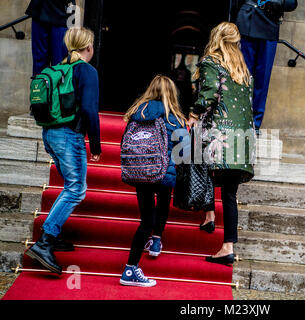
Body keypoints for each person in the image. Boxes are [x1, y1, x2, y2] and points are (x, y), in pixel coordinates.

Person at [25, 27, 102, 274]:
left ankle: (52, 236)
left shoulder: (60, 68)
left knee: (70, 186)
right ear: (89, 47)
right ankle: (45, 242)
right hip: (69, 136)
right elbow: (90, 110)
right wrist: (97, 145)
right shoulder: (87, 71)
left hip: (50, 134)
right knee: (76, 189)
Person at [188, 22, 255, 265]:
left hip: (218, 133)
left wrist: (193, 115)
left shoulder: (211, 62)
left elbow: (208, 94)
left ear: (216, 37)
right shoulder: (244, 71)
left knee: (196, 162)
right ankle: (227, 245)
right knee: (229, 193)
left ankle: (208, 213)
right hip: (242, 138)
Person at [120, 75, 186, 287]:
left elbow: (125, 141)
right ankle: (147, 251)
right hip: (163, 171)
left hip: (141, 172)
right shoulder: (174, 118)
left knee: (145, 219)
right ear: (171, 94)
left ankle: (134, 264)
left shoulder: (137, 113)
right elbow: (185, 151)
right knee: (163, 201)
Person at [231, 0, 297, 133]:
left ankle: (254, 124)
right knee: (242, 75)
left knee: (262, 79)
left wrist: (277, 2)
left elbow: (291, 3)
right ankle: (237, 118)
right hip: (248, 21)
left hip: (269, 25)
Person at [26, 0, 74, 76]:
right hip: (40, 11)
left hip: (63, 14)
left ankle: (58, 87)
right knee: (39, 63)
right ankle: (39, 87)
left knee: (59, 63)